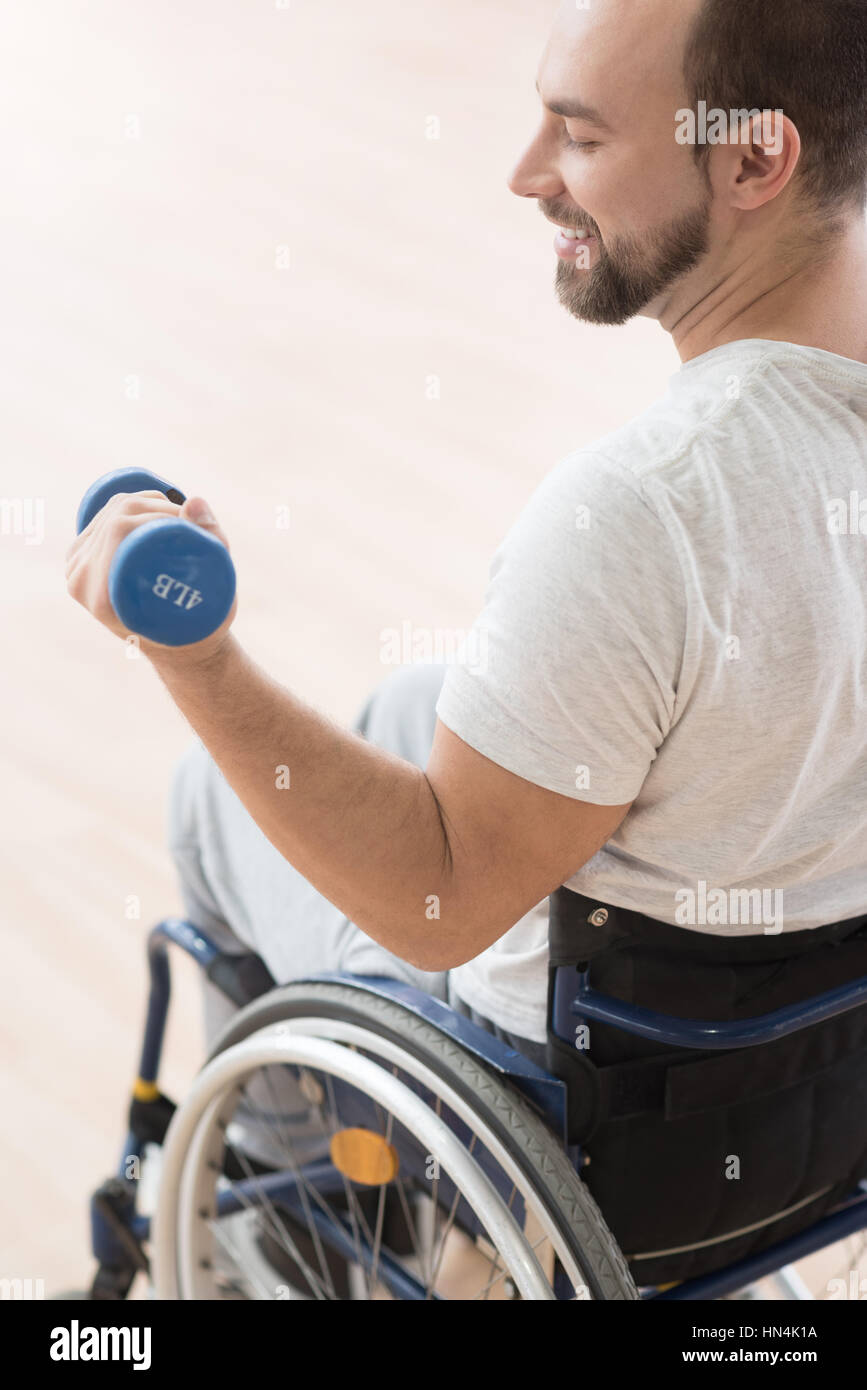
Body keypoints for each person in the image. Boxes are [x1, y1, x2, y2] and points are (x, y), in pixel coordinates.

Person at [67, 0, 867, 1092]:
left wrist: (194, 655)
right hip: (811, 1085)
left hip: (577, 1104)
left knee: (215, 796)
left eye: (582, 137)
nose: (528, 173)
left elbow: (440, 902)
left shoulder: (643, 512)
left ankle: (290, 1214)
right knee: (419, 702)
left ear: (754, 158)